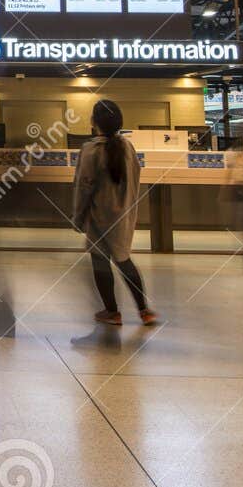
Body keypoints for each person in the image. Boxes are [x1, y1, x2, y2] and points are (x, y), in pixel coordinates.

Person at [73, 98, 158, 327]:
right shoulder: (127, 146)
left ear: (94, 122)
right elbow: (136, 176)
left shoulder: (91, 149)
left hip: (99, 216)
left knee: (100, 261)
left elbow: (84, 186)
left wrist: (78, 216)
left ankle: (112, 312)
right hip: (124, 214)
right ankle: (144, 310)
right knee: (124, 259)